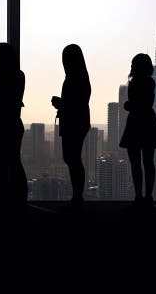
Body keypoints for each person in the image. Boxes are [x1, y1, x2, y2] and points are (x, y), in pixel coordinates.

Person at [51, 44, 90, 210]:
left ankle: (77, 196)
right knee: (72, 159)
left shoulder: (76, 78)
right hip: (75, 122)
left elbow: (77, 103)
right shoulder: (79, 77)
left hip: (74, 123)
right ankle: (77, 196)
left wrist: (60, 103)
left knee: (73, 159)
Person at [119, 53, 156, 206]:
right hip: (147, 124)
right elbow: (146, 103)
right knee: (147, 162)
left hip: (136, 124)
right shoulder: (149, 82)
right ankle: (147, 196)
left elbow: (139, 104)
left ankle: (139, 196)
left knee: (137, 163)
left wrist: (129, 105)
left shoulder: (136, 82)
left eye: (133, 64)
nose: (131, 66)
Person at [0, 42, 27, 207]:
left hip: (0, 125)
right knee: (14, 163)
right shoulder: (19, 75)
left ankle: (4, 200)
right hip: (13, 124)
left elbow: (1, 102)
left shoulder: (0, 75)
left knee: (2, 166)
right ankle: (19, 199)